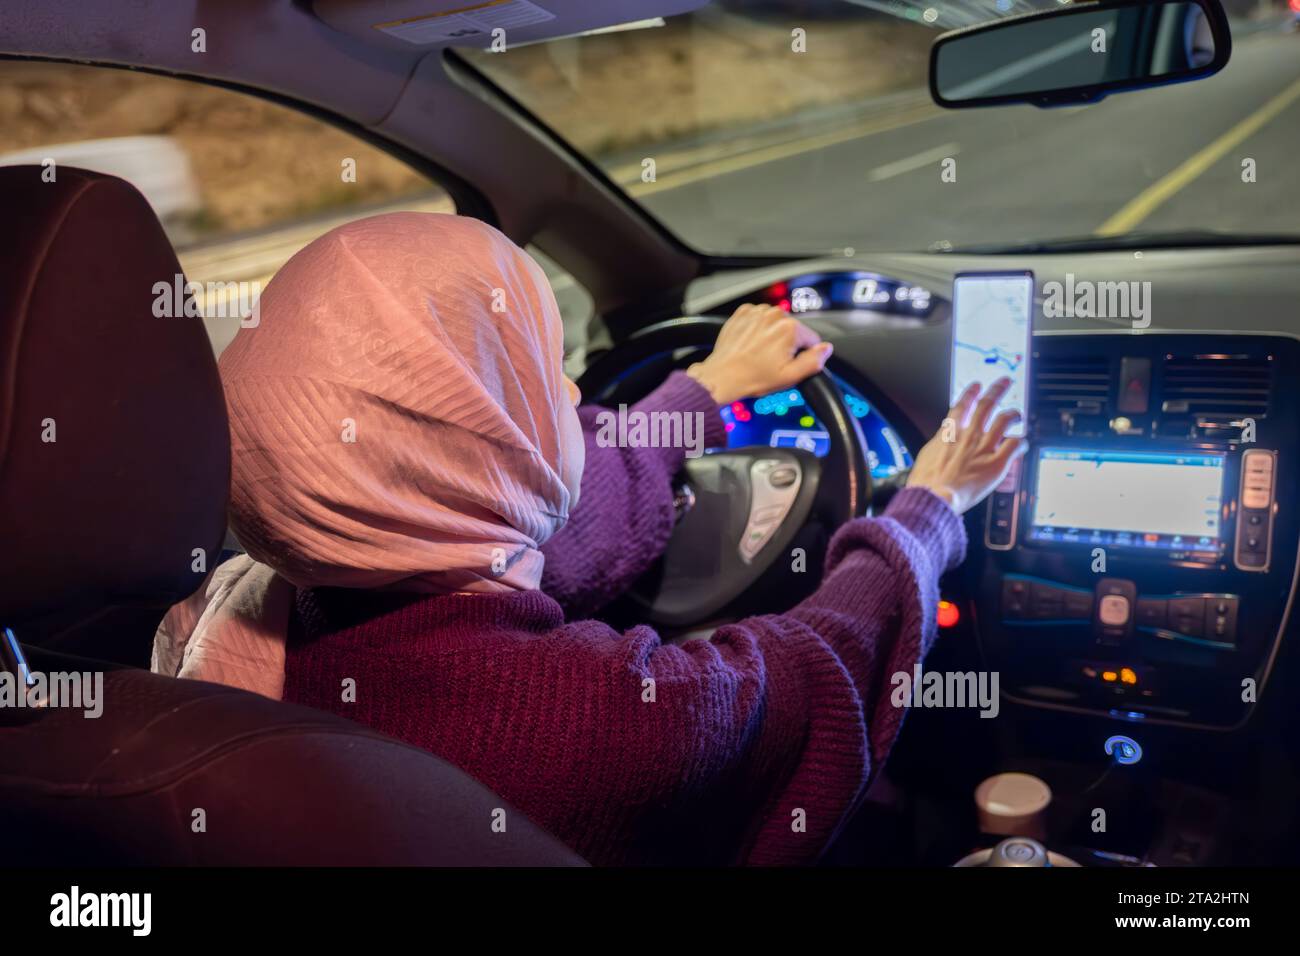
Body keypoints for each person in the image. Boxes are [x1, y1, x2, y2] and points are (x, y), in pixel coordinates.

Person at [154, 211, 1024, 866]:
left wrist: (707, 386)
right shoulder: (601, 723)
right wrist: (930, 504)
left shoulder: (235, 612)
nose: (572, 399)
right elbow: (820, 666)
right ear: (471, 451)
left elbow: (565, 510)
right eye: (537, 376)